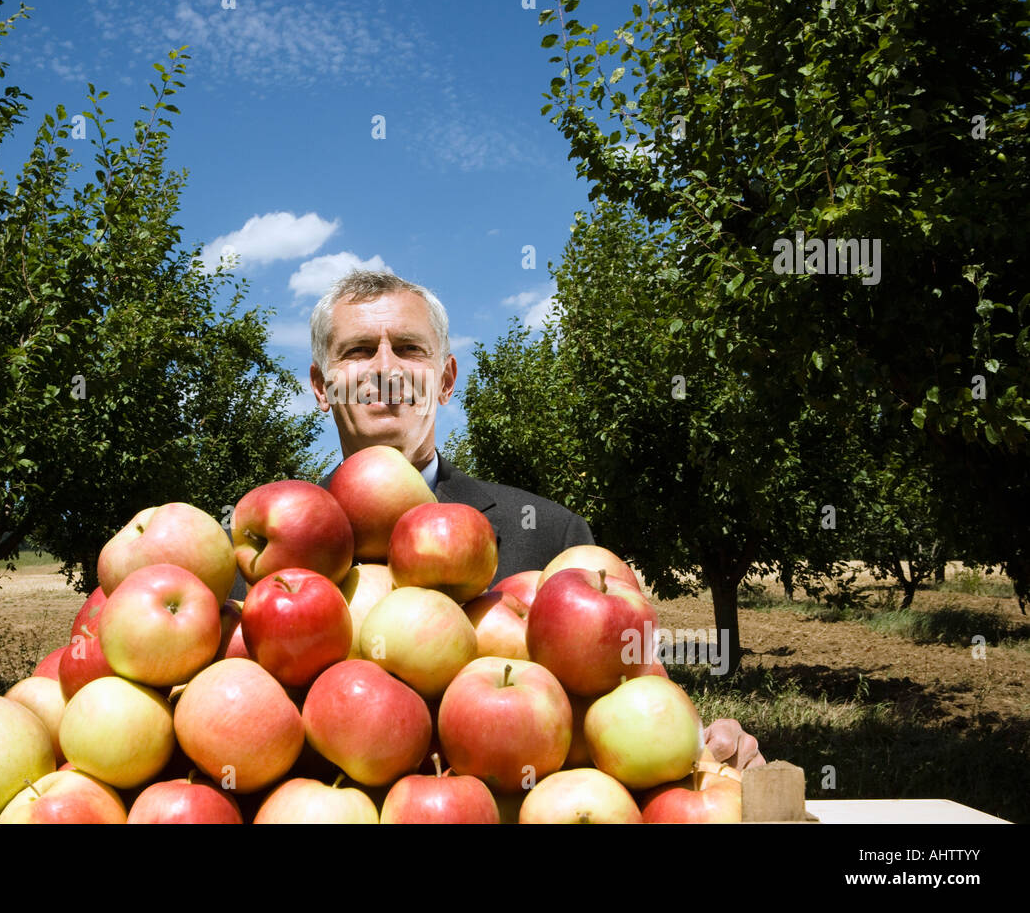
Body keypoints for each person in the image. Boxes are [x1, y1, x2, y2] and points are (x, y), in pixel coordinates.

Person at [306, 270, 763, 770]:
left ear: (445, 381)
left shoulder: (552, 539)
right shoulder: (253, 569)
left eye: (411, 349)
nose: (386, 369)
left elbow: (635, 701)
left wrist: (706, 743)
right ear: (321, 387)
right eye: (357, 351)